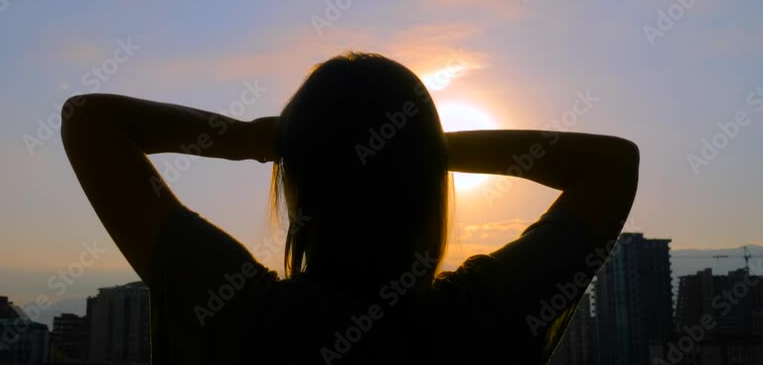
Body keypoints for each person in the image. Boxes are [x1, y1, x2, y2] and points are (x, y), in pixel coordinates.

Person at [61, 51, 639, 364]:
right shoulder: (489, 316)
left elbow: (88, 119)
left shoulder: (237, 313)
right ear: (428, 190)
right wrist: (414, 145)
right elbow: (612, 164)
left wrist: (252, 138)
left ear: (298, 188)